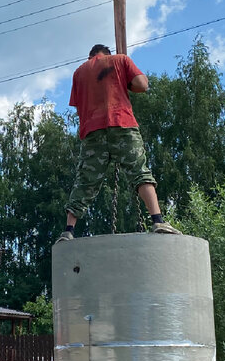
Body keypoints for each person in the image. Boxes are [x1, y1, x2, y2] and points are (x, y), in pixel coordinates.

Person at [58, 44, 180, 241]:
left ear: (91, 56)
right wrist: (126, 82)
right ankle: (158, 221)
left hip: (92, 131)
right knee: (139, 172)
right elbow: (141, 84)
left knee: (85, 181)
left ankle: (68, 231)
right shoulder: (120, 60)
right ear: (107, 53)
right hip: (121, 123)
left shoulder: (79, 72)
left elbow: (78, 104)